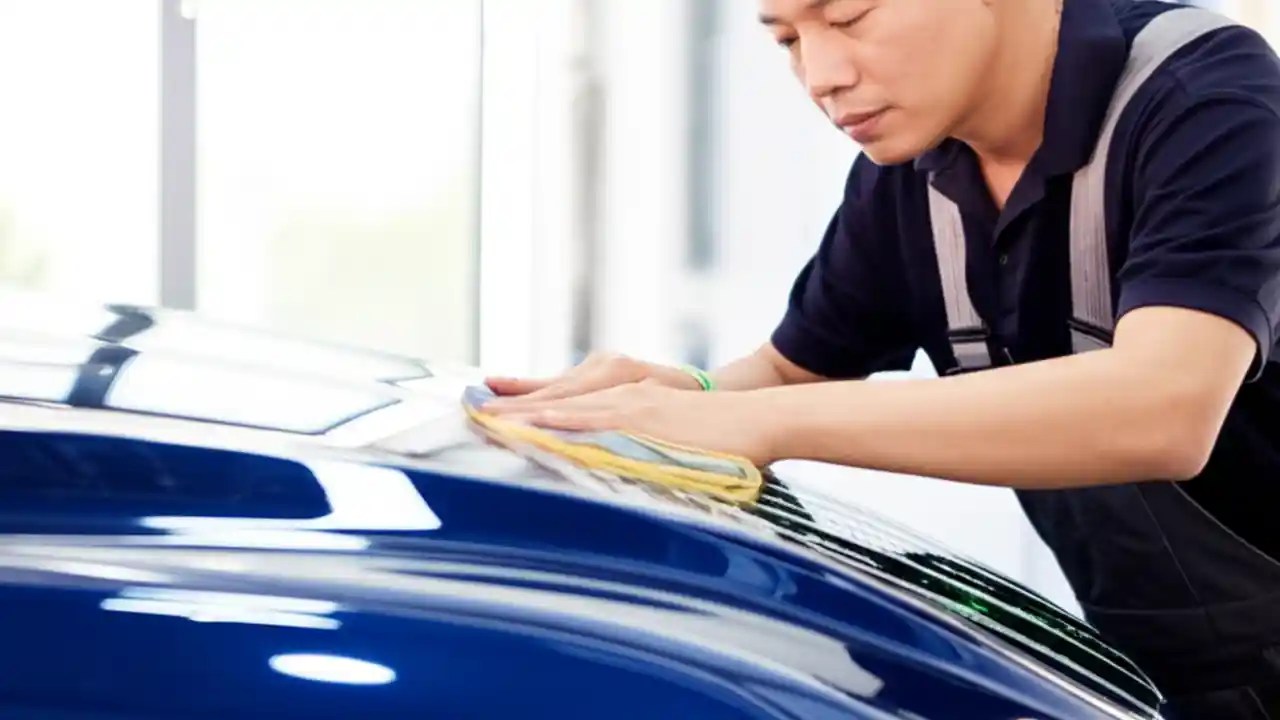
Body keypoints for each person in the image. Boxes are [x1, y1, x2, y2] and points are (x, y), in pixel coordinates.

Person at [481, 0, 1280, 716]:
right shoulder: (910, 175)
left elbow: (1164, 408)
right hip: (1159, 679)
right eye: (788, 37)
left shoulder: (1210, 99)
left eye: (852, 17)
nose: (820, 77)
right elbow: (790, 373)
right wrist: (675, 396)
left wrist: (745, 422)